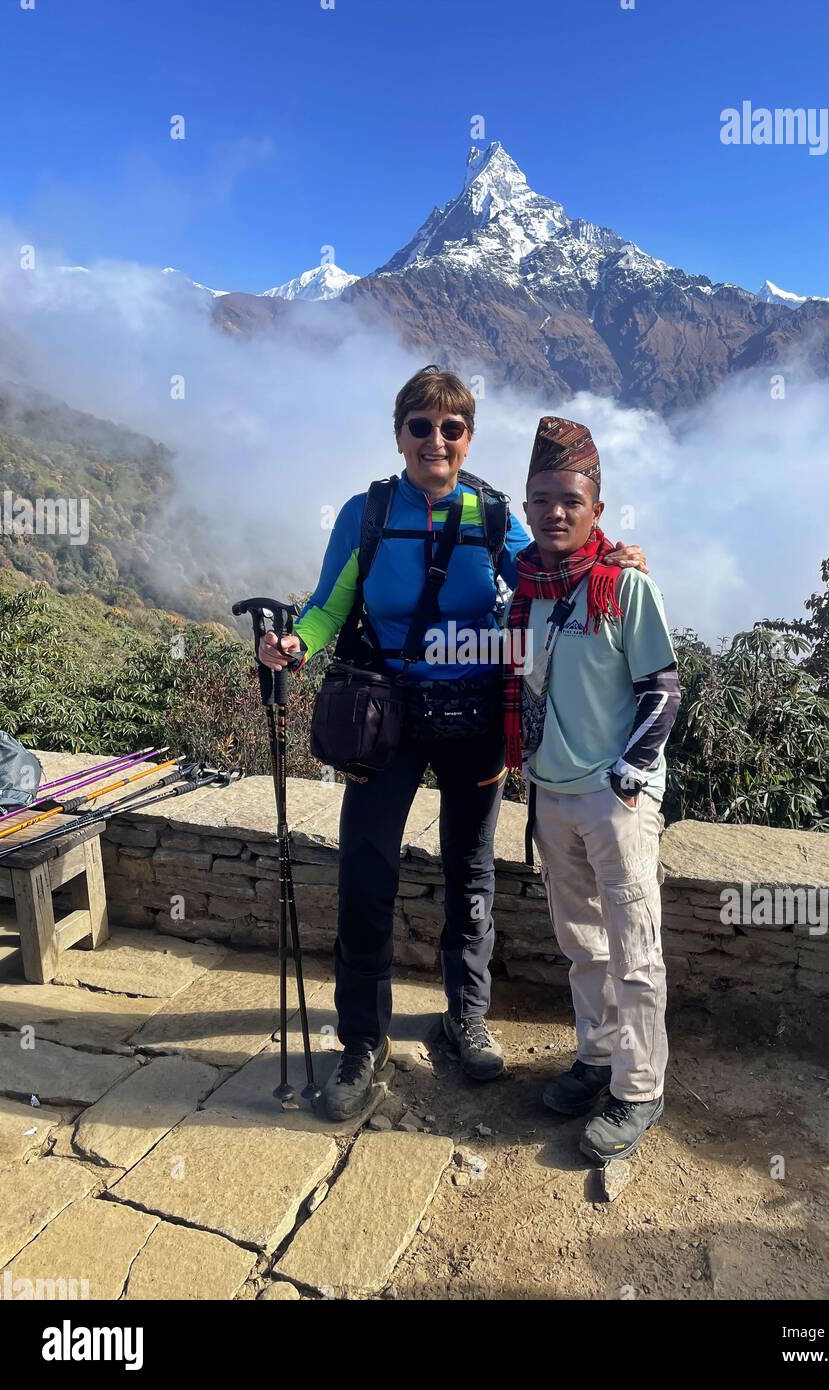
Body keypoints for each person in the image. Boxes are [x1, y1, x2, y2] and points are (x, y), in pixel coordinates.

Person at [258, 368, 647, 1120]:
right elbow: (328, 603)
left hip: (474, 718)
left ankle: (464, 1018)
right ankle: (360, 1042)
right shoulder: (366, 513)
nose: (435, 441)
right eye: (420, 426)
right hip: (386, 720)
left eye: (451, 428)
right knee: (365, 876)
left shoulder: (494, 515)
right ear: (399, 432)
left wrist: (617, 564)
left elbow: (548, 582)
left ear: (467, 437)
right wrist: (295, 647)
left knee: (470, 876)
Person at [504, 416, 680, 1162]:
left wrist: (627, 777)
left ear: (595, 509)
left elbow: (662, 691)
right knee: (582, 945)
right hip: (549, 794)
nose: (556, 512)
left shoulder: (623, 586)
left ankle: (639, 1087)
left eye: (570, 501)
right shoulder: (527, 590)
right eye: (541, 499)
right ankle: (597, 1057)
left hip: (614, 801)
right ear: (526, 506)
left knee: (633, 949)